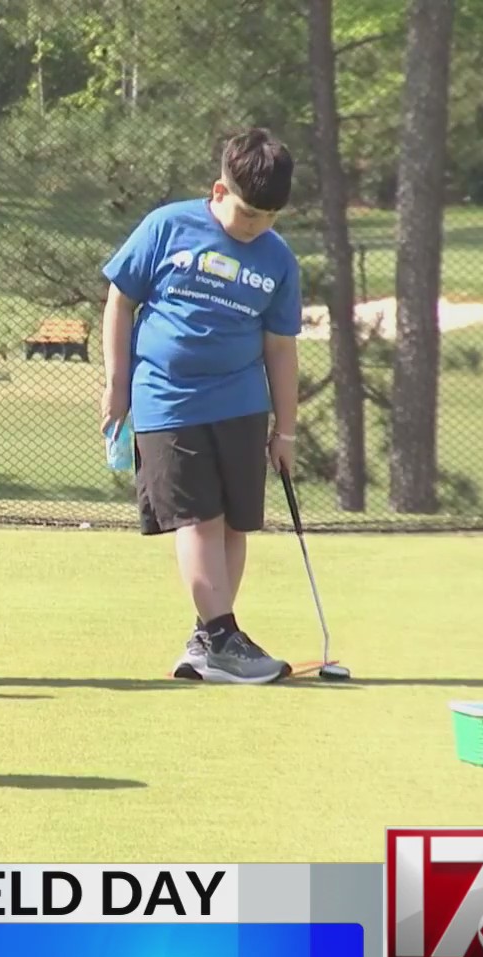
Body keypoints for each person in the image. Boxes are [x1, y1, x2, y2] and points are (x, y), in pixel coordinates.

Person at [98, 128, 302, 684]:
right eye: (247, 212)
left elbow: (281, 346)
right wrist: (118, 384)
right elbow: (120, 300)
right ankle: (222, 638)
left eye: (268, 216)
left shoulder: (279, 261)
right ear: (218, 190)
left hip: (240, 403)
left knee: (234, 525)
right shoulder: (167, 226)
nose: (257, 225)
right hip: (168, 398)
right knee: (198, 520)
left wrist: (286, 430)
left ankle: (207, 639)